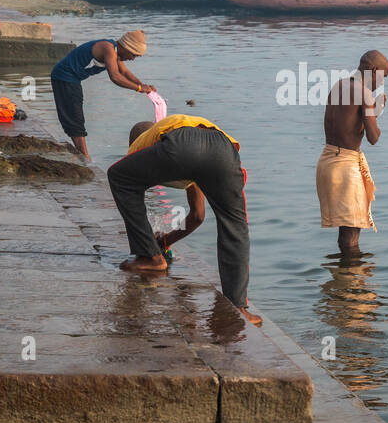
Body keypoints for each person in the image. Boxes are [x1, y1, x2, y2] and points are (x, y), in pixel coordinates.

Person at [108, 115, 259, 326]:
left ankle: (149, 258)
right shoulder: (174, 131)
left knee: (117, 176)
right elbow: (197, 216)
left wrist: (148, 246)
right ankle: (238, 306)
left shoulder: (141, 144)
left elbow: (132, 194)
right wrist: (166, 241)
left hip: (181, 145)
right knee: (234, 224)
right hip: (224, 149)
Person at [316, 50, 388, 255]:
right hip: (345, 166)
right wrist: (378, 110)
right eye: (383, 77)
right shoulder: (364, 93)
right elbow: (373, 137)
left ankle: (343, 281)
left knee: (346, 233)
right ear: (374, 70)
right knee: (351, 238)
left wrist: (371, 110)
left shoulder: (339, 86)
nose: (381, 83)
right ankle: (351, 283)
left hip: (328, 159)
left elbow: (348, 124)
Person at [48, 31, 154, 159]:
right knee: (74, 115)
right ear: (126, 47)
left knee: (75, 115)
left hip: (73, 79)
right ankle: (85, 156)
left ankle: (82, 153)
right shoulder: (107, 48)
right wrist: (138, 88)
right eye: (133, 55)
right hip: (64, 76)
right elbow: (115, 77)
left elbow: (125, 73)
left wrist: (144, 86)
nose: (132, 59)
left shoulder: (116, 54)